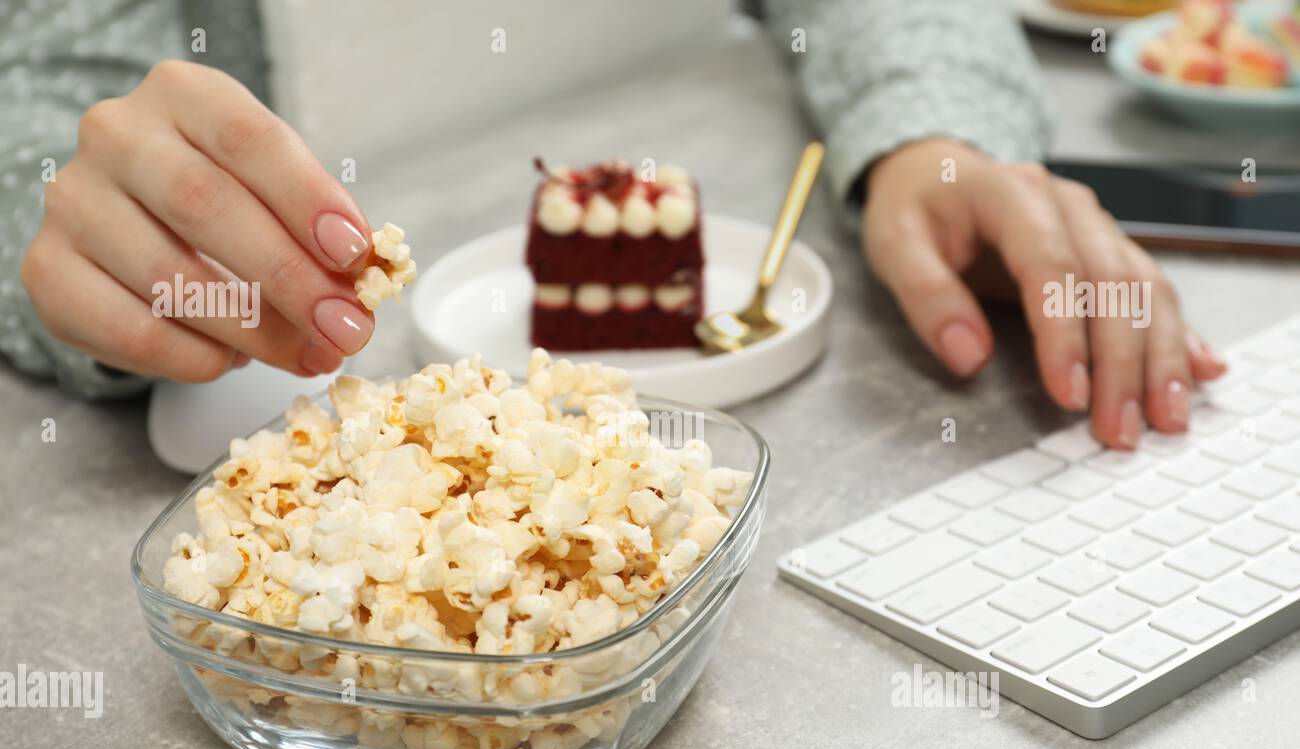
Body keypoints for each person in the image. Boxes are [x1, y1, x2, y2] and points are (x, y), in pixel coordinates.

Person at [0, 0, 1226, 449]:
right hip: (315, 329)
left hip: (767, 201)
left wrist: (929, 131)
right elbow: (45, 99)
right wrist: (88, 232)